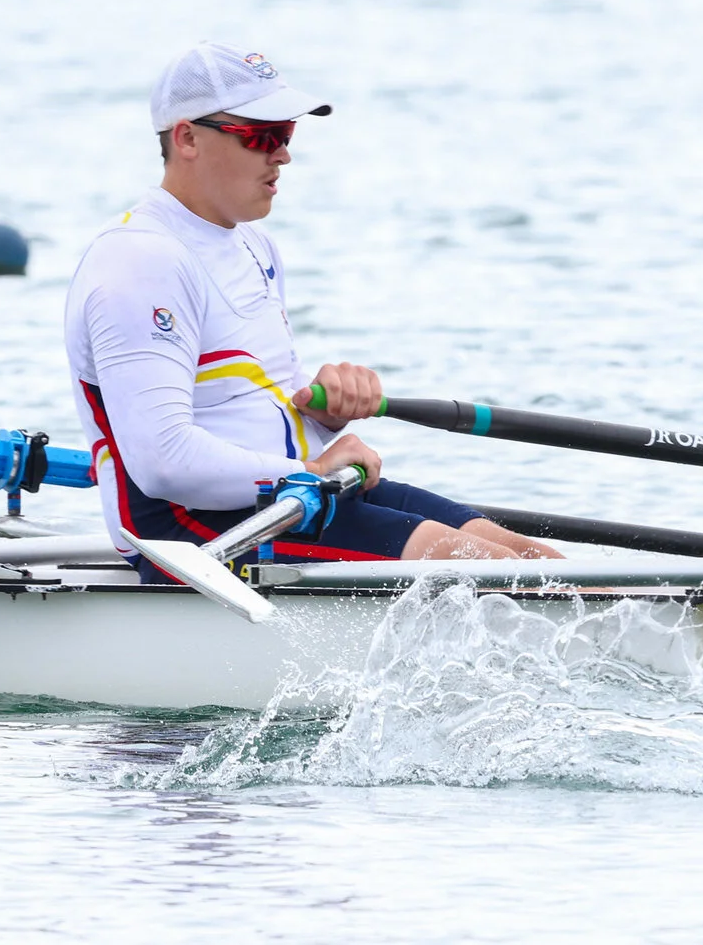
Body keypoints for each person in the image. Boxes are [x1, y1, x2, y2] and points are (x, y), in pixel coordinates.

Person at [64, 42, 561, 580]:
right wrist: (312, 469)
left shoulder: (253, 244)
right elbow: (162, 463)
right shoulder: (139, 261)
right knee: (486, 569)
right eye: (262, 136)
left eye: (287, 135)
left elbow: (252, 405)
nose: (282, 155)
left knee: (530, 558)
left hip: (295, 499)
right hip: (190, 533)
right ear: (186, 138)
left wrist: (324, 414)